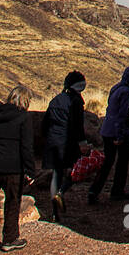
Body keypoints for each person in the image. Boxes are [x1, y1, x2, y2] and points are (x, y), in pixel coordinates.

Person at [88, 67, 129, 204]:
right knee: (121, 162)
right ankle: (117, 190)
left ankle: (93, 191)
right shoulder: (126, 92)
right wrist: (120, 136)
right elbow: (122, 116)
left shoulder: (116, 88)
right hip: (118, 132)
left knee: (107, 162)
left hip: (107, 130)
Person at [41, 71, 86, 221]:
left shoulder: (55, 100)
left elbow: (45, 123)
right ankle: (61, 192)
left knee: (56, 173)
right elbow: (78, 125)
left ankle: (55, 212)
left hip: (53, 141)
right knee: (75, 171)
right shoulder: (76, 101)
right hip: (67, 142)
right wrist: (83, 143)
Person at [0, 85, 35, 252]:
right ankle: (10, 239)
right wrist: (30, 170)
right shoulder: (24, 117)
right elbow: (26, 147)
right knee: (12, 203)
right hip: (14, 167)